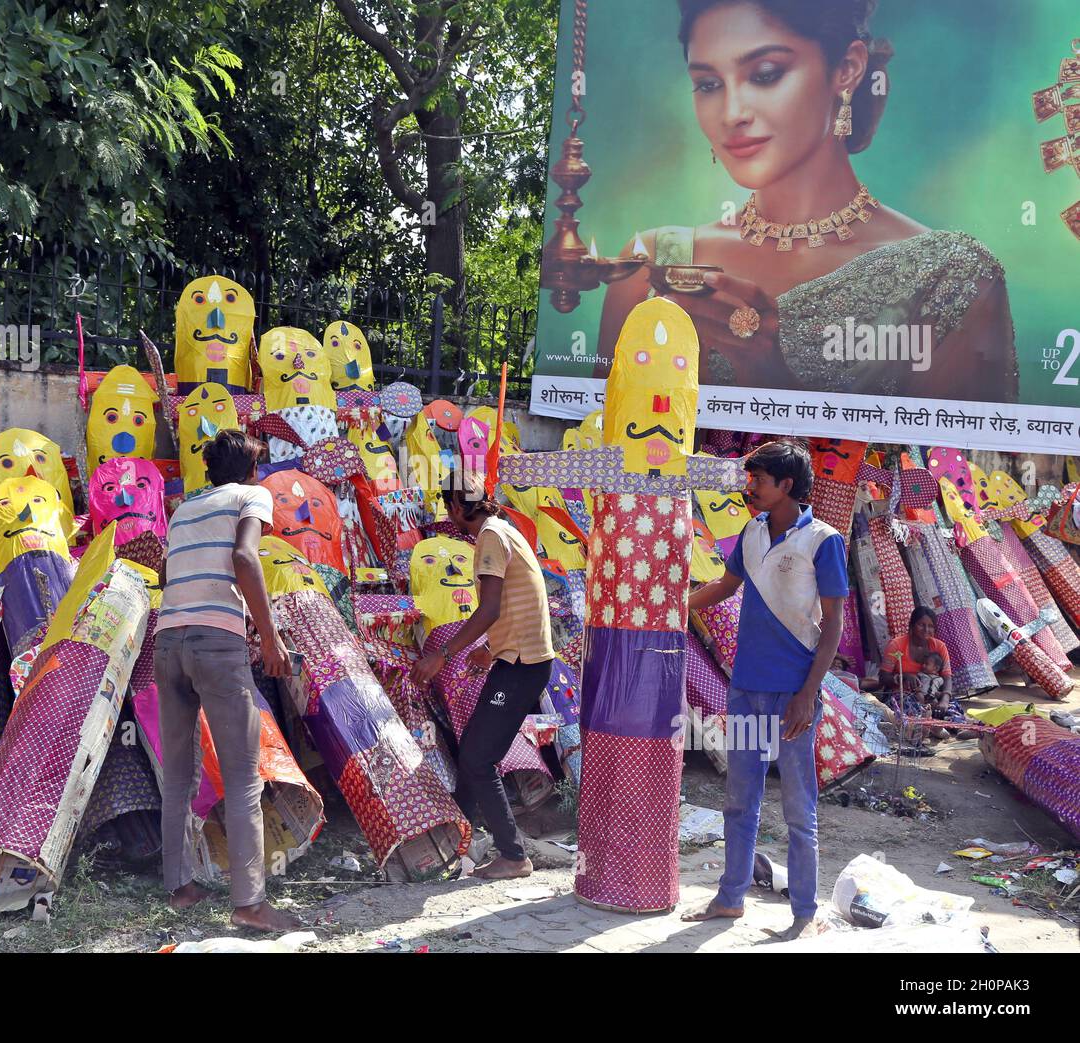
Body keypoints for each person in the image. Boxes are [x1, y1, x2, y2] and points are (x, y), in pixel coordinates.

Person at [596, 0, 1016, 402]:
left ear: (847, 69)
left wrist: (771, 380)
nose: (731, 114)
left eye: (765, 75)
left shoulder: (950, 275)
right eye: (708, 85)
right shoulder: (653, 262)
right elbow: (601, 432)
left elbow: (951, 452)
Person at [682, 440, 847, 939]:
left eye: (758, 480)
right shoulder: (751, 531)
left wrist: (808, 693)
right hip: (747, 687)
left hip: (792, 692)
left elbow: (834, 624)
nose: (749, 487)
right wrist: (672, 607)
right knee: (740, 799)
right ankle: (730, 898)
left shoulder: (823, 540)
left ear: (787, 485)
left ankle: (805, 912)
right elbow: (724, 587)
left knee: (798, 807)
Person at [154, 429, 298, 931]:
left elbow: (168, 576)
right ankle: (250, 904)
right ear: (253, 470)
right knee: (241, 777)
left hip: (168, 641)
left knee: (178, 775)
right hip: (216, 643)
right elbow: (244, 556)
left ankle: (180, 888)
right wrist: (270, 638)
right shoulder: (251, 496)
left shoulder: (183, 510)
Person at [410, 471, 556, 881]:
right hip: (516, 660)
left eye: (448, 508)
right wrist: (489, 649)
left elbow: (490, 608)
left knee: (477, 758)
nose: (449, 516)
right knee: (473, 750)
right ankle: (458, 842)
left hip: (522, 666)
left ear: (458, 507)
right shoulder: (502, 530)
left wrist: (443, 654)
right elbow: (515, 603)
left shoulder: (491, 536)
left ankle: (512, 855)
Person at [880, 606, 967, 740]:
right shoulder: (896, 645)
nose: (926, 630)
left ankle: (961, 727)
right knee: (910, 709)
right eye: (921, 625)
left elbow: (947, 677)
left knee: (949, 706)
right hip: (903, 694)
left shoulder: (939, 646)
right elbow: (883, 678)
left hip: (931, 695)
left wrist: (944, 700)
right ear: (912, 625)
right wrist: (903, 677)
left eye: (930, 626)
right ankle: (931, 727)